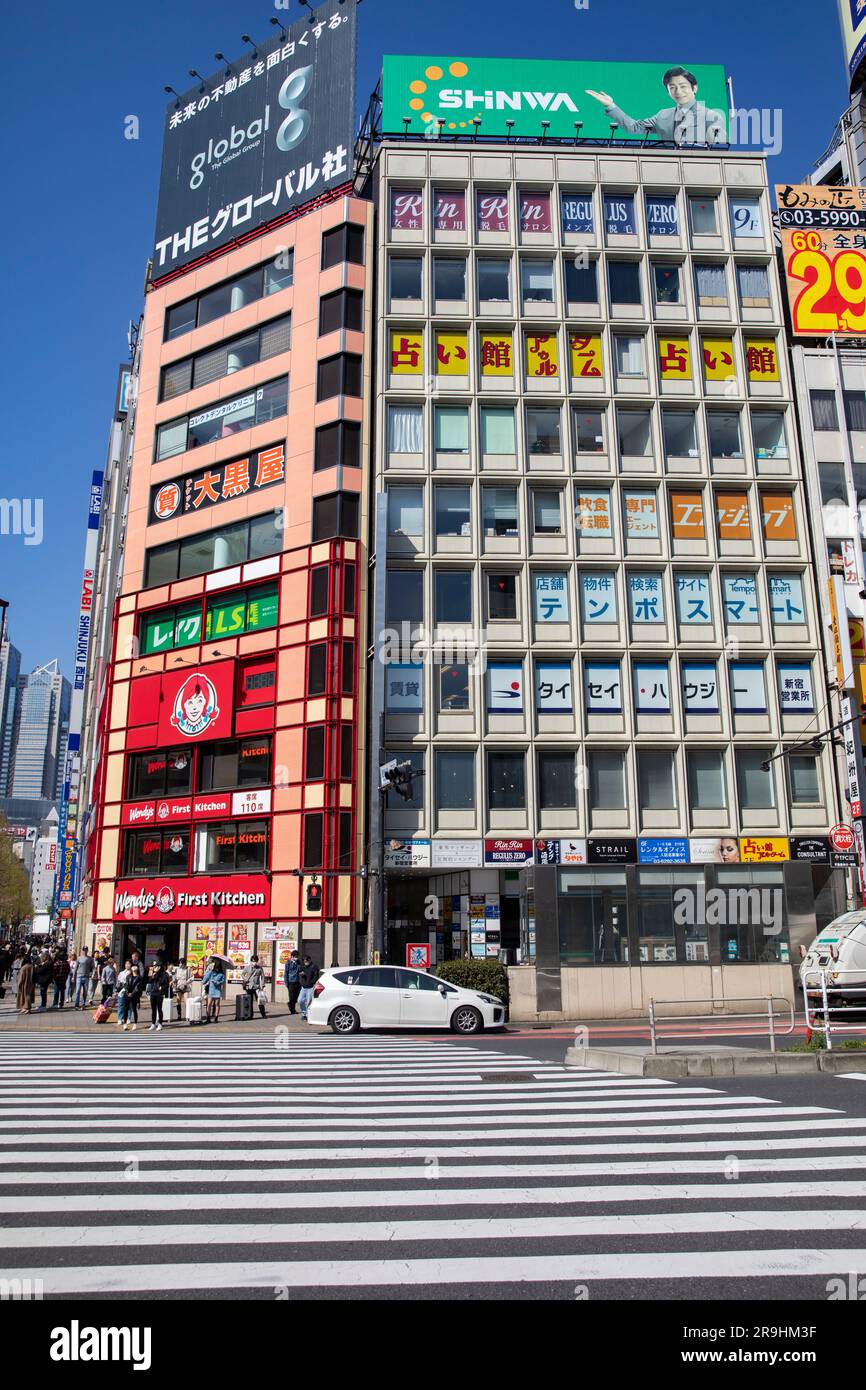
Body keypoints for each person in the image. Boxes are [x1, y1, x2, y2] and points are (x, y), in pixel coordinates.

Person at [585, 66, 726, 147]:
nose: (678, 92)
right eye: (672, 88)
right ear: (668, 91)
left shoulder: (711, 117)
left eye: (683, 86)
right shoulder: (663, 115)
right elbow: (634, 127)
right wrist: (611, 105)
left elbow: (718, 146)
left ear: (694, 88)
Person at [146, 961, 169, 1031]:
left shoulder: (164, 974)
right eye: (155, 966)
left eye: (157, 966)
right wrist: (152, 974)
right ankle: (153, 1024)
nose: (156, 967)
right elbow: (149, 981)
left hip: (159, 993)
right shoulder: (153, 973)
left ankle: (160, 1024)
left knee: (159, 1009)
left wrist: (162, 987)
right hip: (153, 992)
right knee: (153, 1009)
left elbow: (166, 984)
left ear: (160, 967)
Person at [242, 955, 267, 1019]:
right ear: (251, 961)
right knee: (249, 1002)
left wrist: (263, 985)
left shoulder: (259, 968)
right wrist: (245, 979)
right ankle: (250, 1015)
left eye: (255, 961)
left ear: (257, 961)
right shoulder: (247, 967)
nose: (254, 963)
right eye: (253, 961)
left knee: (260, 1001)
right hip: (249, 986)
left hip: (257, 987)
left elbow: (263, 977)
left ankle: (263, 1014)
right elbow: (242, 974)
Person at [121, 963, 144, 1032]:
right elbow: (126, 985)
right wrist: (128, 992)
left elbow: (138, 988)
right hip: (127, 995)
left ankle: (135, 1024)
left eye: (135, 966)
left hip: (135, 996)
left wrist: (132, 993)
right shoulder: (128, 976)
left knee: (134, 1009)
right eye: (133, 966)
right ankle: (125, 1024)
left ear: (137, 968)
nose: (134, 967)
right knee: (126, 1009)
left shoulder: (139, 977)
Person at [298, 955, 320, 1022]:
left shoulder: (314, 967)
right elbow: (300, 972)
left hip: (310, 987)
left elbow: (316, 976)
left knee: (308, 1002)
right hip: (304, 987)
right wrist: (301, 974)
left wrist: (311, 983)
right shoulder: (303, 966)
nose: (305, 962)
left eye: (307, 961)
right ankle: (304, 1014)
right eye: (304, 961)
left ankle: (307, 1016)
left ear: (310, 960)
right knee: (300, 1000)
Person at [202, 959, 226, 1023]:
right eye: (216, 967)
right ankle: (208, 1018)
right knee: (209, 1004)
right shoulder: (211, 972)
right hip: (211, 990)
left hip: (217, 990)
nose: (217, 969)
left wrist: (216, 982)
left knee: (217, 1004)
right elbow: (205, 979)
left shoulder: (221, 974)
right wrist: (204, 981)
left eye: (218, 968)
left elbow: (222, 982)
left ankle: (216, 1018)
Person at [284, 950, 301, 1015]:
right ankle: (292, 1010)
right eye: (296, 956)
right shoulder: (288, 963)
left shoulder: (298, 962)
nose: (297, 958)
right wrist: (286, 982)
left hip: (297, 981)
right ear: (292, 956)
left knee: (296, 996)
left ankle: (290, 1004)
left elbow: (300, 969)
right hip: (290, 982)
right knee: (292, 996)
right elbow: (286, 973)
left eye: (297, 956)